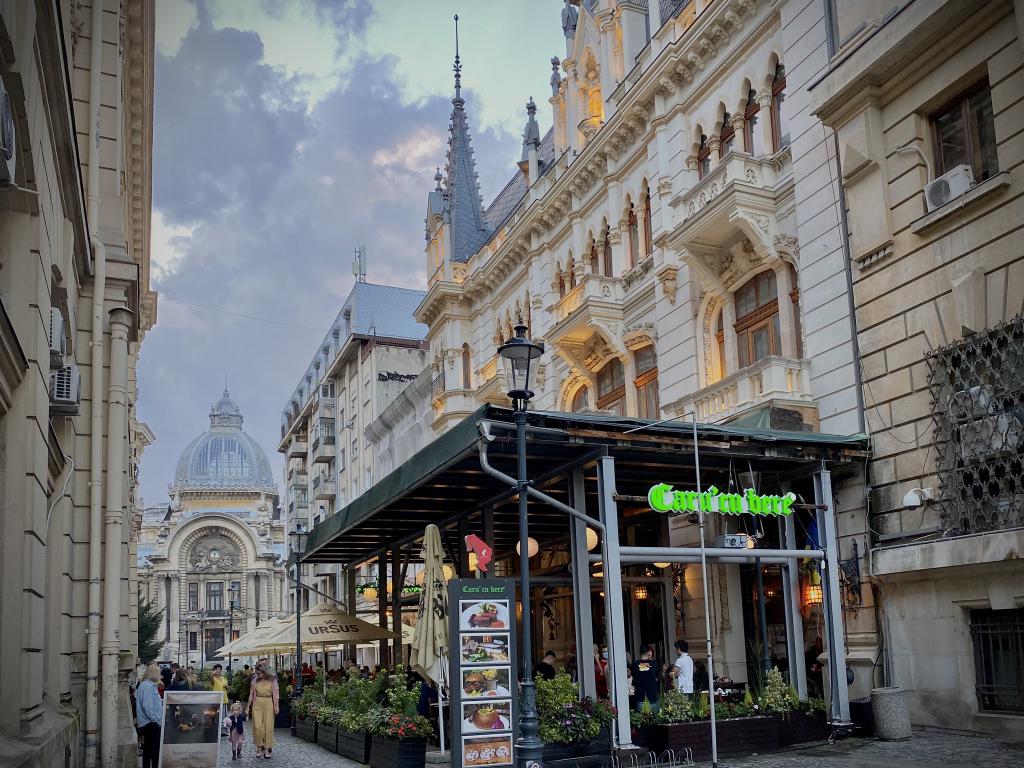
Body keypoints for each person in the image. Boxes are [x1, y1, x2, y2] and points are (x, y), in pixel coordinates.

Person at [247, 663, 279, 759]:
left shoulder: (273, 680)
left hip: (269, 702)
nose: (257, 675)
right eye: (256, 673)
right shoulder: (255, 681)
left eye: (259, 673)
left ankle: (267, 748)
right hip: (257, 703)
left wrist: (276, 706)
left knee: (268, 727)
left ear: (264, 672)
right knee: (257, 726)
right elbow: (251, 694)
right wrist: (247, 707)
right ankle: (259, 747)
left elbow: (276, 693)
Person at [136, 664, 163, 768]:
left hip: (148, 722)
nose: (160, 675)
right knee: (154, 751)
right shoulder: (148, 686)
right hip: (150, 723)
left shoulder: (146, 685)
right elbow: (147, 706)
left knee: (148, 751)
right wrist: (155, 720)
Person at [631, 647, 660, 711]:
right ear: (649, 652)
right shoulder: (654, 664)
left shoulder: (634, 664)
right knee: (655, 719)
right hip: (652, 697)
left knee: (641, 719)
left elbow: (633, 676)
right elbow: (657, 678)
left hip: (640, 697)